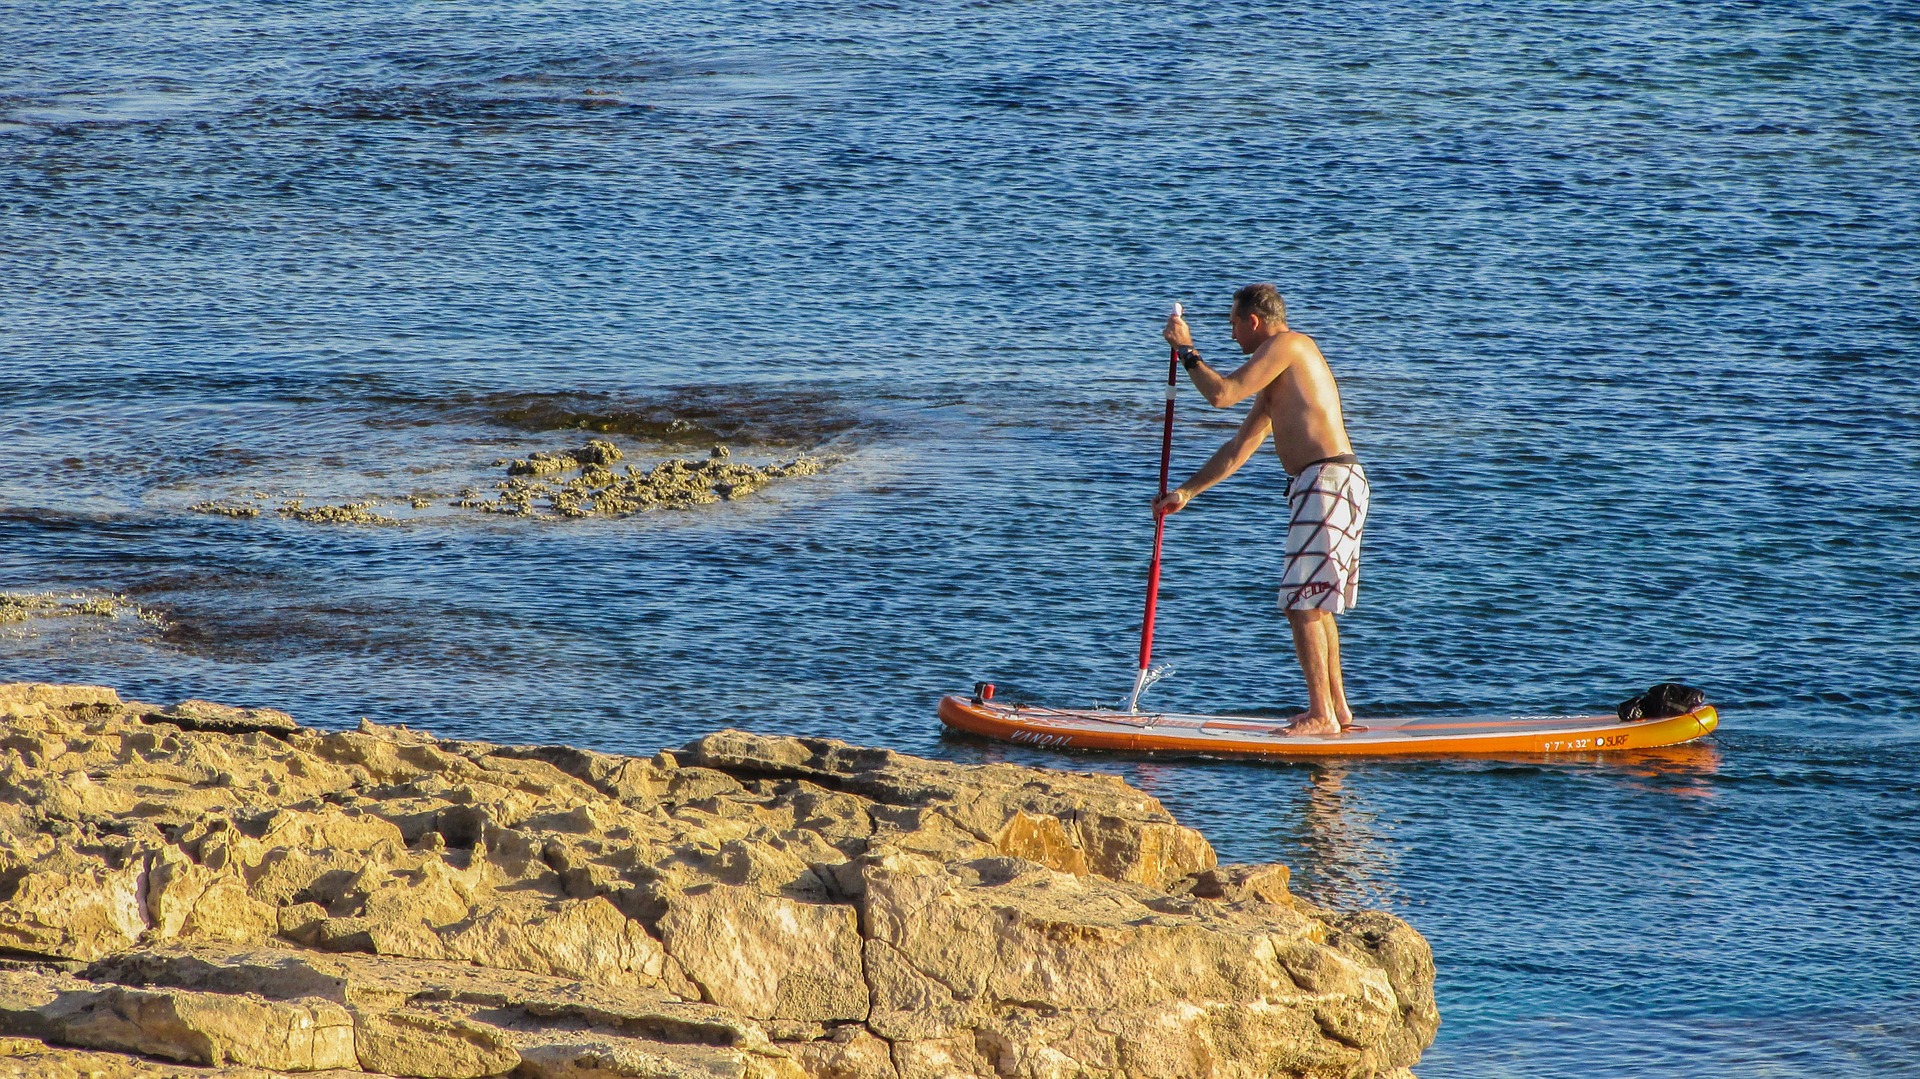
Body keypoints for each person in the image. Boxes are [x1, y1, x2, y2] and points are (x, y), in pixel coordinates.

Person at [1152, 284, 1369, 736]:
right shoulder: (1277, 375)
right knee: (1315, 602)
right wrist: (1187, 493)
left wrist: (1186, 350)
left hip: (1326, 480)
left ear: (1254, 321)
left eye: (1233, 324)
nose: (1231, 336)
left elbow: (1222, 394)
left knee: (1303, 601)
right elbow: (1238, 448)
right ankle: (1338, 711)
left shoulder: (1288, 346)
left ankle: (1321, 715)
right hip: (1328, 483)